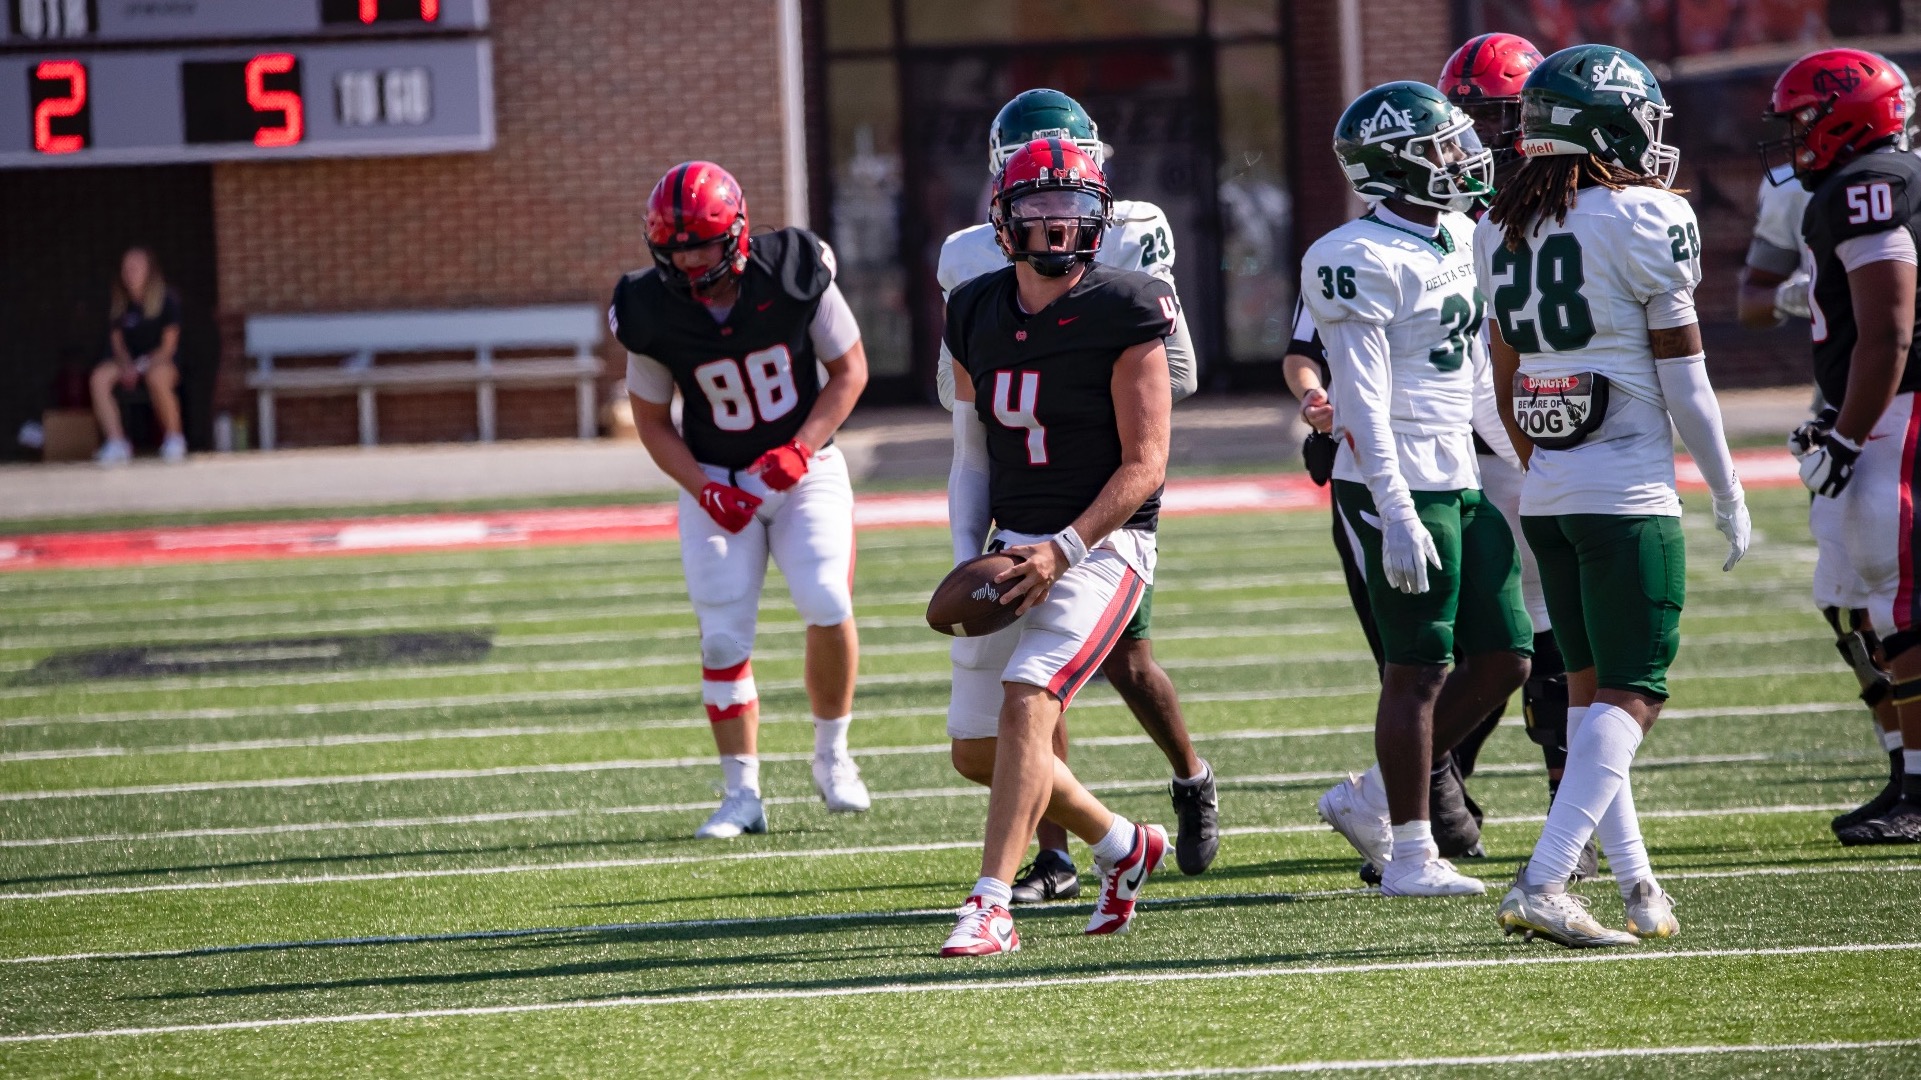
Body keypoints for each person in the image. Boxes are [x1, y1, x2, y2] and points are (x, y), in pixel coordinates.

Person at [1483, 45, 1751, 947]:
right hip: (1626, 487)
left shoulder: (1497, 227)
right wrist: (1726, 485)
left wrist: (1536, 458)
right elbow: (1686, 382)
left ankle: (1636, 883)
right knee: (1634, 695)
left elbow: (1505, 368)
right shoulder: (1643, 217)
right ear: (1610, 125)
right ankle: (1546, 879)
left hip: (1549, 493)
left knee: (1593, 703)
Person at [935, 88, 1218, 902]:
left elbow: (1178, 379)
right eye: (1036, 201)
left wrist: (1084, 372)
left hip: (1102, 509)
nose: (1055, 220)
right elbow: (966, 409)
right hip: (1016, 504)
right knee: (1007, 714)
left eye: (1072, 200)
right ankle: (1069, 854)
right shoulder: (968, 273)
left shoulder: (1131, 258)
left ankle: (1188, 777)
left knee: (1123, 665)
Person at [1302, 80, 1533, 898]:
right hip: (1387, 479)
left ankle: (1367, 794)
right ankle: (1408, 853)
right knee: (1418, 668)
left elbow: (1475, 379)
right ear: (1392, 165)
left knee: (1506, 654)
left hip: (1461, 475)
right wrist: (1395, 512)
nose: (1463, 158)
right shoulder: (1350, 255)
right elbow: (1359, 399)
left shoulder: (1463, 235)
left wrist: (1524, 459)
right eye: (1441, 147)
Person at [609, 160, 871, 840]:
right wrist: (702, 486)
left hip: (802, 467)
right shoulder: (648, 307)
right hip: (716, 476)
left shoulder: (793, 267)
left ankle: (832, 755)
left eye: (699, 244)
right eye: (675, 248)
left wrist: (801, 447)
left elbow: (849, 371)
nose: (688, 261)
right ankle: (741, 793)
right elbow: (651, 419)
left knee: (825, 597)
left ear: (737, 235)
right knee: (723, 630)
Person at [1748, 56, 1915, 839]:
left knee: (1896, 596)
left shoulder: (1869, 184)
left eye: (1804, 118)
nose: (1795, 135)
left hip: (1894, 410)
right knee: (1843, 596)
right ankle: (1901, 770)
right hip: (1861, 407)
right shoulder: (1847, 185)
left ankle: (1919, 786)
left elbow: (1887, 331)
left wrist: (1846, 434)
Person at [90, 246, 185, 466]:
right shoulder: (120, 302)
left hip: (160, 362)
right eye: (126, 267)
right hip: (128, 362)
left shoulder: (167, 299)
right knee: (99, 378)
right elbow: (118, 344)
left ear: (149, 271)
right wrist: (125, 365)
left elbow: (168, 347)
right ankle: (116, 443)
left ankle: (174, 439)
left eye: (135, 267)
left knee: (156, 377)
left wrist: (140, 367)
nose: (129, 272)